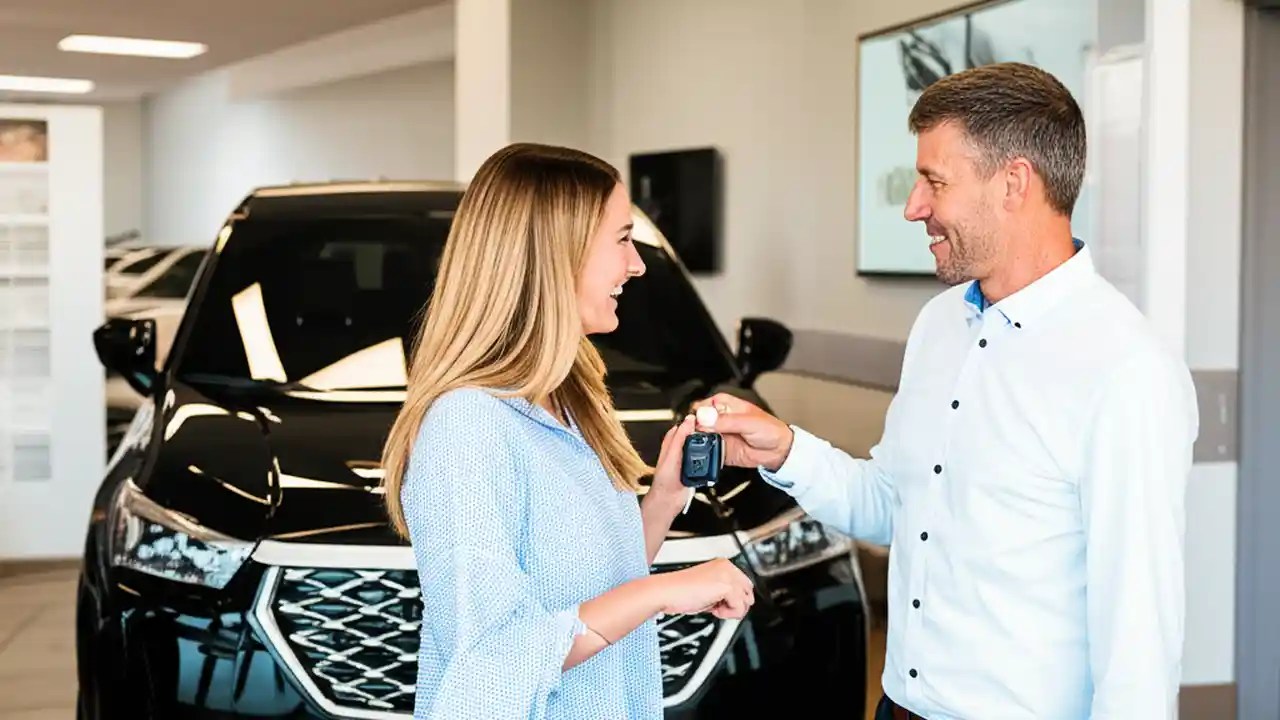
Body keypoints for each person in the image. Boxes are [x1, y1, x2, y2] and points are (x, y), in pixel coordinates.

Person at [694, 62, 1198, 719]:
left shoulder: (1126, 370)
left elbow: (1139, 641)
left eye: (934, 181)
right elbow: (896, 506)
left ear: (1014, 183)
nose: (914, 207)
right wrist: (785, 450)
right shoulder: (940, 327)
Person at [379, 143, 755, 720]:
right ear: (557, 252)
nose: (637, 265)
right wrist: (663, 592)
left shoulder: (569, 399)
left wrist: (663, 498)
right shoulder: (467, 428)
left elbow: (586, 592)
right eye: (623, 239)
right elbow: (490, 659)